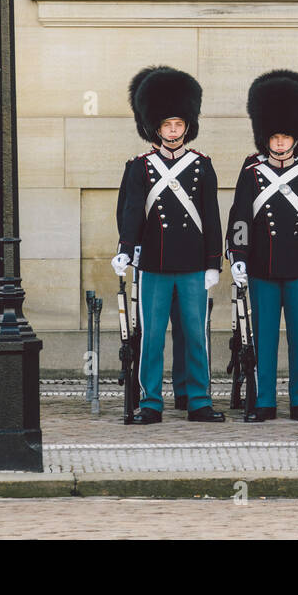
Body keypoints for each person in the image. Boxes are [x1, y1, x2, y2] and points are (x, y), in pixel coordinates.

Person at [113, 66, 224, 424]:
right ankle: (151, 403)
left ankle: (199, 400)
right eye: (167, 126)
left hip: (192, 265)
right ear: (156, 128)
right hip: (155, 266)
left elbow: (211, 217)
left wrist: (212, 263)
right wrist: (125, 250)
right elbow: (132, 212)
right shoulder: (140, 167)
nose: (173, 131)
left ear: (187, 126)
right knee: (152, 338)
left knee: (194, 335)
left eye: (178, 125)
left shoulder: (202, 166)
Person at [227, 70, 298, 422]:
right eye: (275, 136)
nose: (282, 142)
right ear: (264, 137)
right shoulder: (252, 172)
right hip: (262, 269)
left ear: (296, 137)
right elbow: (239, 216)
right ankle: (264, 402)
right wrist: (238, 256)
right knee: (264, 341)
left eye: (287, 136)